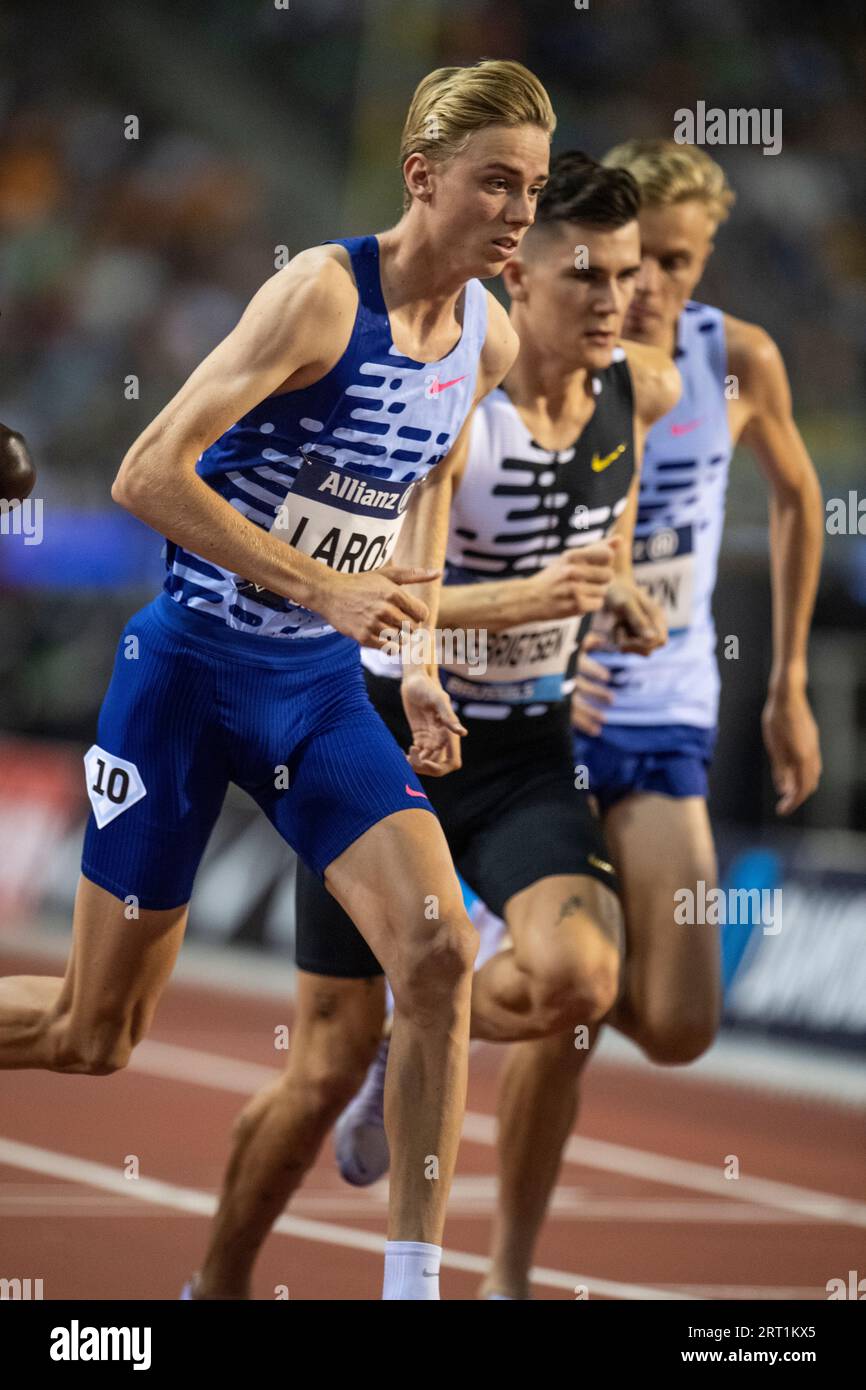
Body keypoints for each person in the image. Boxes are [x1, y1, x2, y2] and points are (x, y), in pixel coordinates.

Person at [0, 59, 557, 1302]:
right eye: (495, 184)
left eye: (533, 187)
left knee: (434, 963)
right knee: (96, 1036)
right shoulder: (315, 295)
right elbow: (148, 473)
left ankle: (411, 1284)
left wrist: (409, 661)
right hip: (188, 675)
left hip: (315, 691)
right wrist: (321, 588)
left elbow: (416, 494)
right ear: (422, 178)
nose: (520, 212)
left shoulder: (490, 334)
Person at [186, 151, 679, 1301]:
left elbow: (642, 516)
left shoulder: (635, 390)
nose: (613, 302)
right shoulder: (457, 394)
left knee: (576, 981)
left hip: (519, 751)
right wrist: (526, 598)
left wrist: (629, 594)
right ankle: (215, 1282)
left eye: (625, 277)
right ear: (517, 283)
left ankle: (426, 1015)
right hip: (379, 730)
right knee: (316, 1070)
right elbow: (372, 580)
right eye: (583, 279)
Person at [476, 138, 824, 1299]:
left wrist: (784, 683)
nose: (648, 290)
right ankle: (506, 1274)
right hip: (553, 725)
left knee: (676, 1023)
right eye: (631, 265)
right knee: (566, 1019)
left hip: (668, 716)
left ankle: (452, 992)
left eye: (674, 263)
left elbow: (794, 499)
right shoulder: (566, 360)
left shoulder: (734, 363)